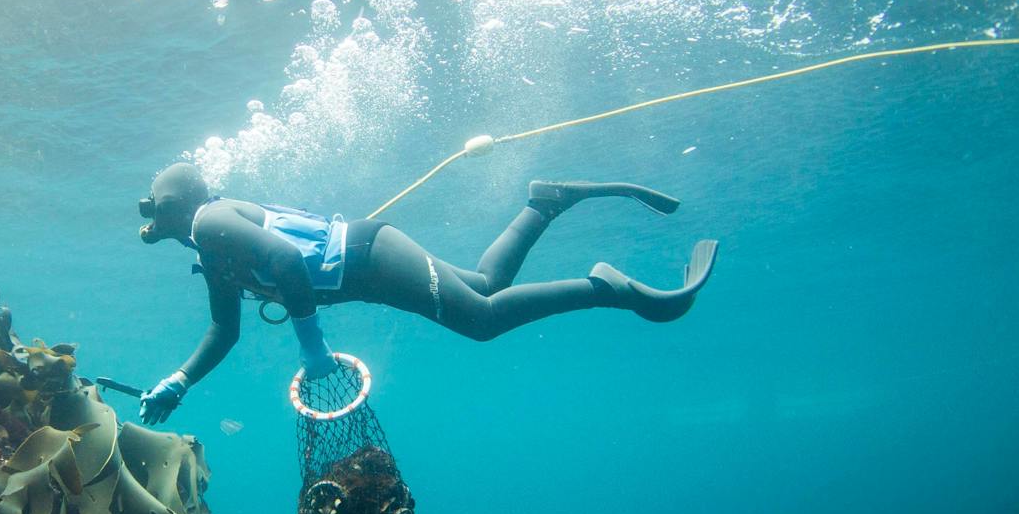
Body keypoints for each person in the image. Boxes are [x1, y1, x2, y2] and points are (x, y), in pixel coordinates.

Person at [135, 161, 717, 424]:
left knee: (483, 320)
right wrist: (179, 381)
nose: (148, 219)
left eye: (153, 208)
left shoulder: (209, 222)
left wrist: (313, 350)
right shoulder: (208, 251)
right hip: (369, 270)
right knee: (487, 288)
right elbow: (224, 329)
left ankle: (606, 289)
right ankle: (545, 203)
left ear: (170, 204)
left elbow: (287, 260)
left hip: (370, 257)